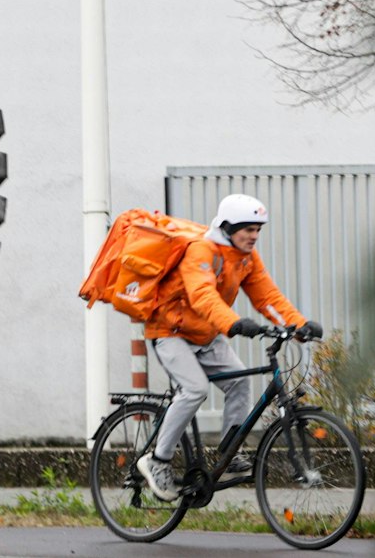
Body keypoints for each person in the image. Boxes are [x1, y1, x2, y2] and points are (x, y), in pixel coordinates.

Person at [136, 193, 325, 499]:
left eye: (258, 230)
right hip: (171, 332)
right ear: (226, 227)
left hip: (207, 335)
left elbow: (267, 297)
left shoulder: (247, 258)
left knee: (239, 381)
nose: (254, 236)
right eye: (247, 229)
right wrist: (233, 322)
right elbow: (202, 295)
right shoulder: (201, 251)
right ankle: (157, 460)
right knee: (195, 389)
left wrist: (298, 325)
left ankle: (229, 449)